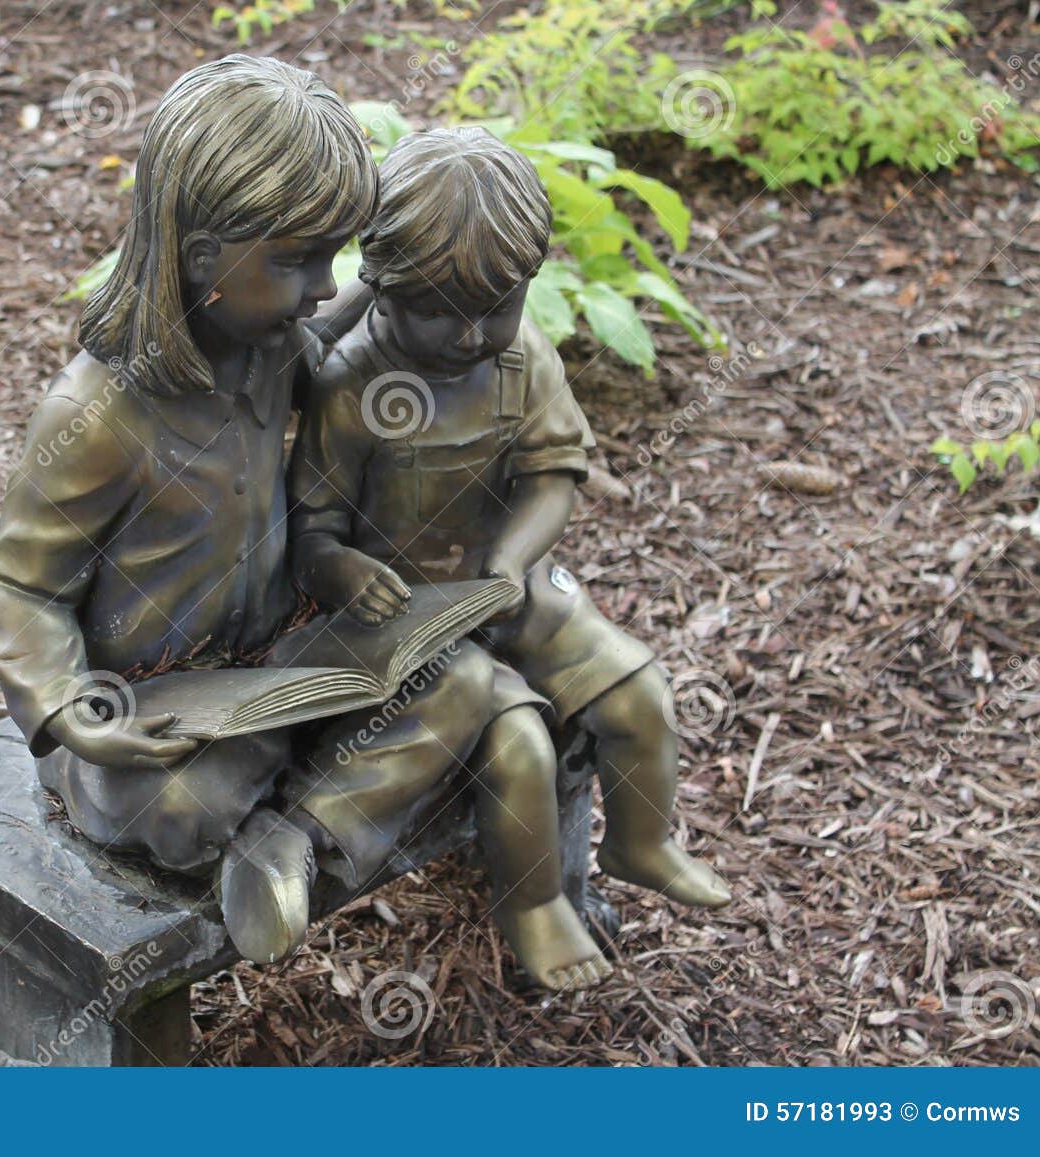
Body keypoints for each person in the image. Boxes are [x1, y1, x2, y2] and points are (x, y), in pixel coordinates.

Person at [0, 58, 501, 967]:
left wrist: (447, 230)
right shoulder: (99, 417)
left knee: (461, 685)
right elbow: (19, 588)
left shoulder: (266, 350)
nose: (326, 287)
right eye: (300, 261)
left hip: (274, 662)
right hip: (154, 712)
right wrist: (69, 707)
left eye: (331, 256)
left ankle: (291, 834)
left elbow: (367, 309)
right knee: (182, 804)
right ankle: (280, 821)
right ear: (203, 254)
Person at [290, 127, 731, 987]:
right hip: (407, 618)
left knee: (638, 687)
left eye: (496, 305)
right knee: (519, 744)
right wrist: (342, 572)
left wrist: (511, 560)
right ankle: (532, 902)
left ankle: (643, 842)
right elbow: (311, 532)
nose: (469, 336)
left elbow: (553, 475)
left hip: (507, 580)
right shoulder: (352, 384)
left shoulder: (522, 356)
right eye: (440, 311)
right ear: (381, 283)